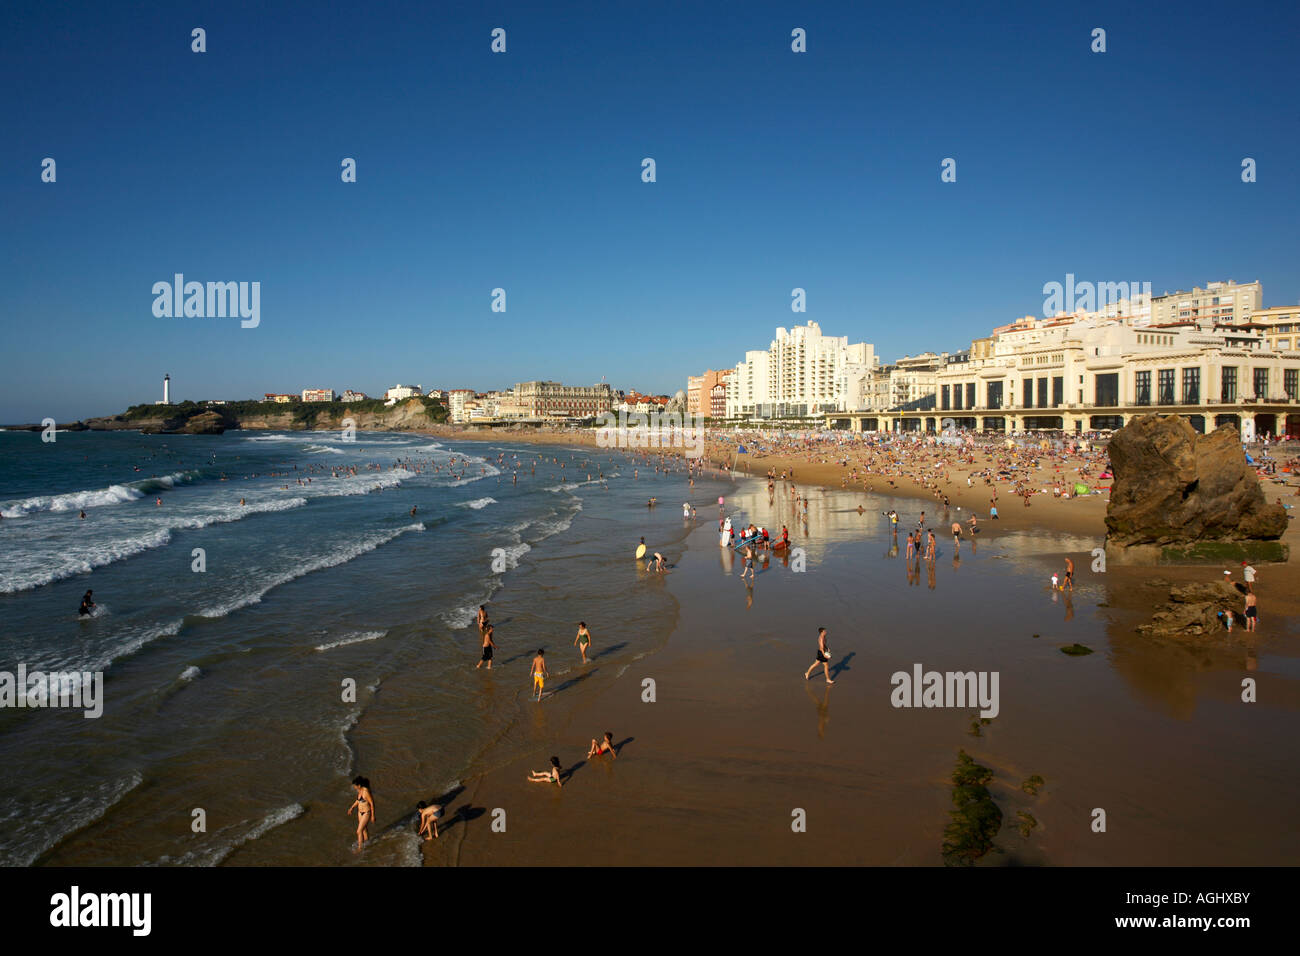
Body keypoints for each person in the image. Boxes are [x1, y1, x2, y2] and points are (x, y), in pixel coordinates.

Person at [347, 775, 375, 851]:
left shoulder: (366, 792)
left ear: (359, 785)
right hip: (360, 812)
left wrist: (373, 815)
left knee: (358, 831)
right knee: (364, 830)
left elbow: (372, 803)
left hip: (366, 813)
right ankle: (367, 843)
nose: (354, 787)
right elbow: (358, 801)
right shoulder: (359, 790)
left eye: (355, 786)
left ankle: (360, 848)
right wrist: (352, 807)